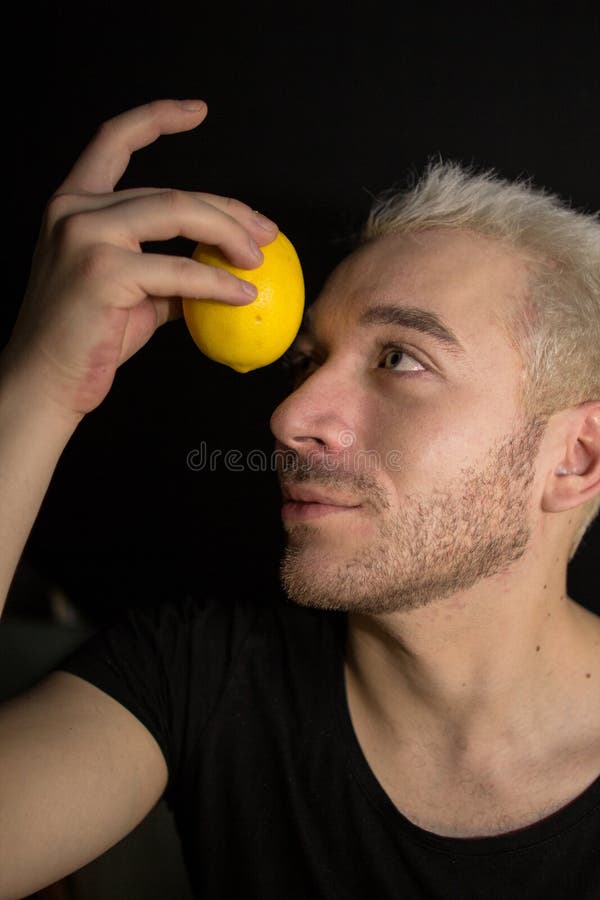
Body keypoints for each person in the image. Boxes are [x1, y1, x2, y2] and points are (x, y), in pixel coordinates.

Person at [0, 98, 598, 900]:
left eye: (399, 359)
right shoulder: (192, 678)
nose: (288, 418)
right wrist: (40, 383)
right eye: (306, 361)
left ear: (579, 457)